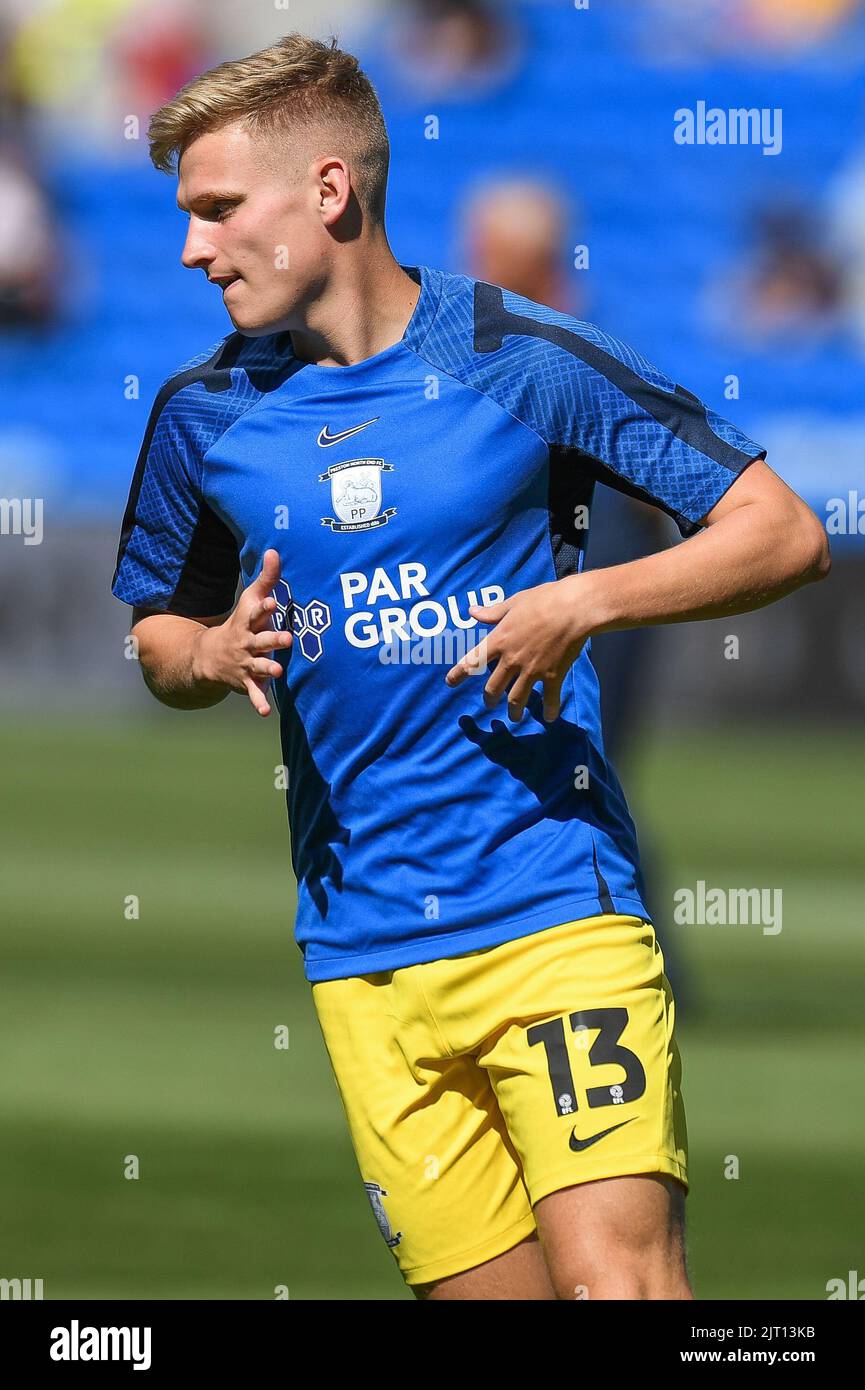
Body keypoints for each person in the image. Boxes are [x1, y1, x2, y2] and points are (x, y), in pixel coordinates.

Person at [111, 33, 830, 1300]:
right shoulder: (201, 415)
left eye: (218, 209)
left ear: (328, 192)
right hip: (362, 955)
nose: (192, 247)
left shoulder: (520, 354)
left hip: (555, 910)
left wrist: (581, 602)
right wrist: (208, 652)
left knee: (622, 1288)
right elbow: (156, 637)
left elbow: (782, 531)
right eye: (185, 215)